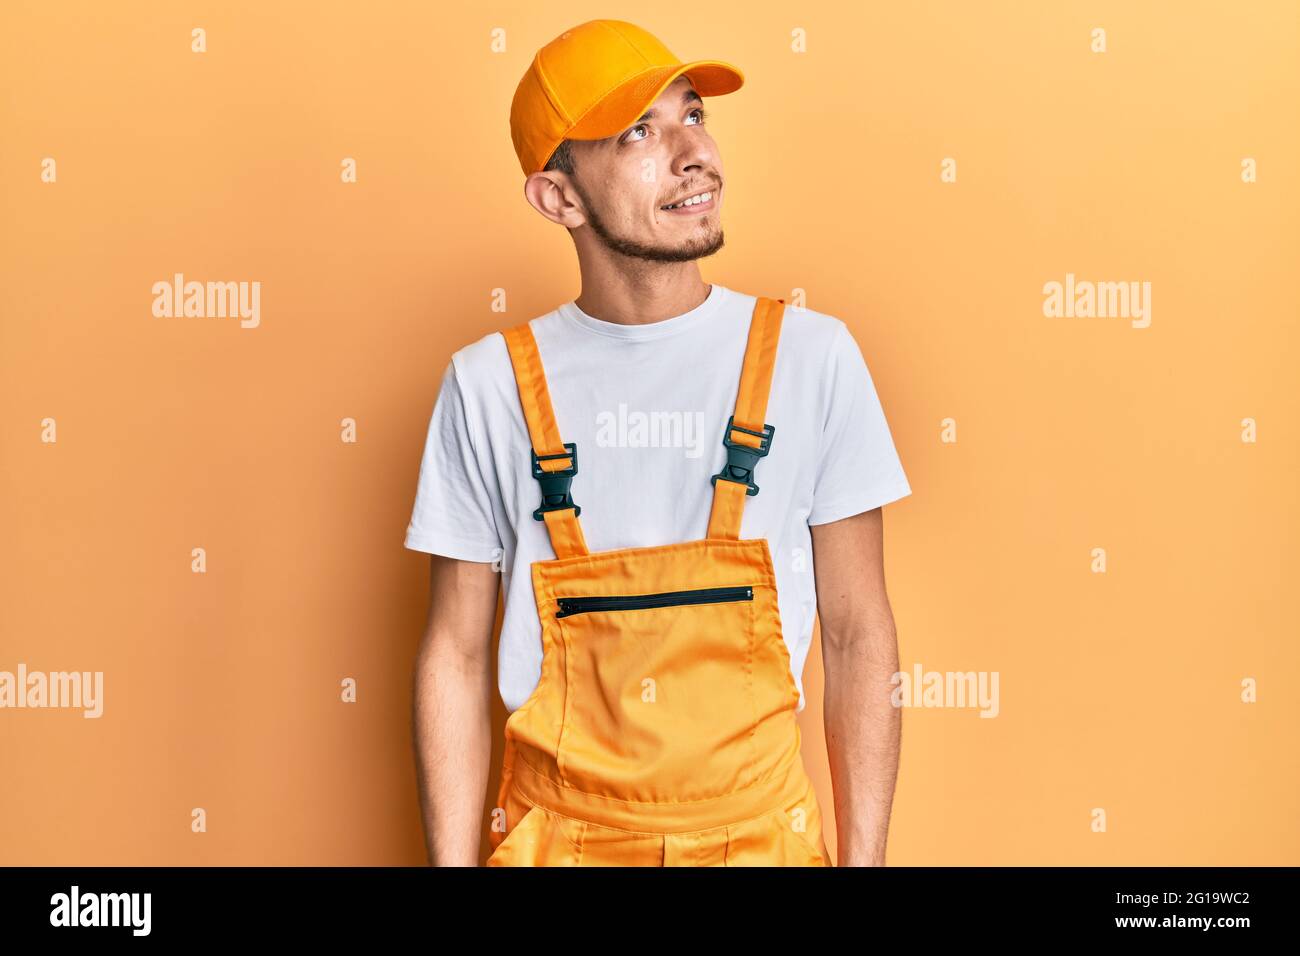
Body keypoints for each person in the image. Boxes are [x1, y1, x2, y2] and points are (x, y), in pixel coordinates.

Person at [406, 19, 910, 866]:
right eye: (640, 131)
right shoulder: (488, 385)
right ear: (559, 197)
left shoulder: (814, 359)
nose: (692, 154)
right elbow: (453, 653)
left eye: (694, 116)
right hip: (554, 845)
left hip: (762, 845)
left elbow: (861, 634)